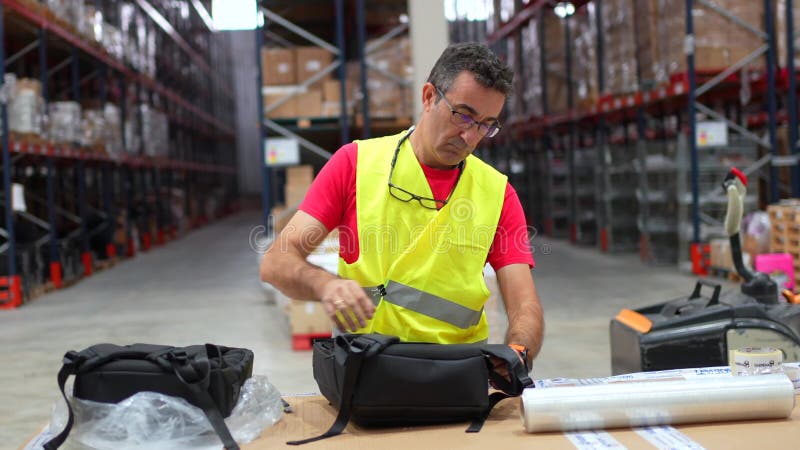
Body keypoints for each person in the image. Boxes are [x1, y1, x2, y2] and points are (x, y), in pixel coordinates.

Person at [260, 42, 544, 366]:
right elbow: (276, 263)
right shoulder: (355, 165)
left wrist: (518, 352)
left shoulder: (497, 192)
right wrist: (324, 284)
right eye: (463, 115)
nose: (470, 137)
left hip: (458, 370)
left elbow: (525, 305)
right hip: (368, 365)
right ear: (428, 97)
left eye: (486, 125)